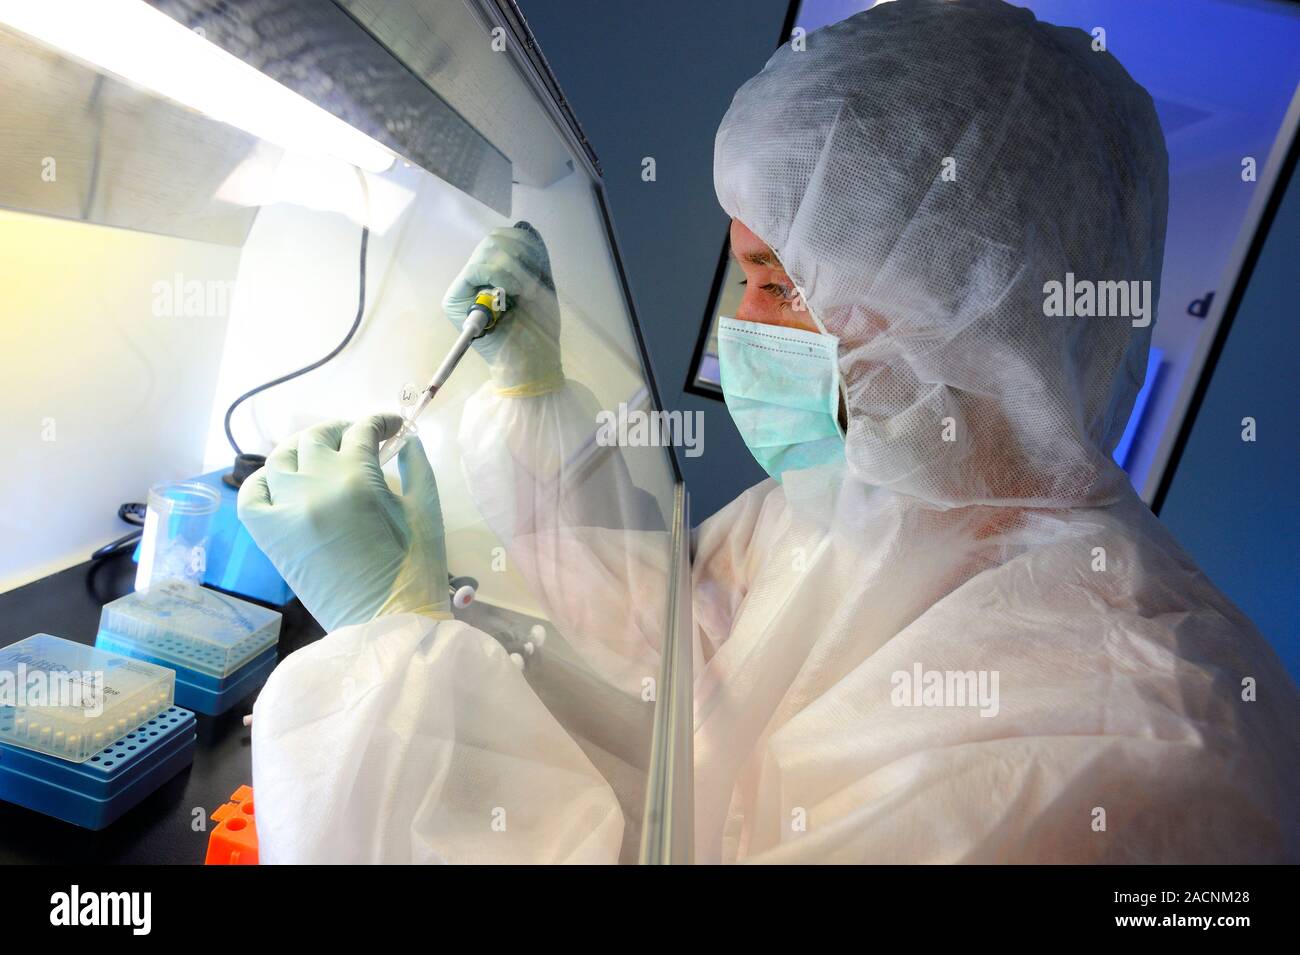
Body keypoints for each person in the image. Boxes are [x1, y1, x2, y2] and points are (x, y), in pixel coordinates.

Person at [238, 0, 1299, 863]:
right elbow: (668, 641)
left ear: (960, 324)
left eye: (778, 283)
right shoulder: (859, 507)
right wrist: (531, 404)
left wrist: (386, 663)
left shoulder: (1131, 747)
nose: (736, 325)